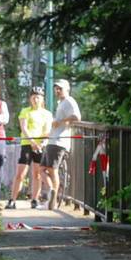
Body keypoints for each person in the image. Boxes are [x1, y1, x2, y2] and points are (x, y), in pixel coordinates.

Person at [6, 86, 53, 209]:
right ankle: (12, 200)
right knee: (20, 174)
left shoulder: (47, 114)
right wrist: (32, 142)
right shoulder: (25, 111)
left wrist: (42, 143)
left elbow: (47, 131)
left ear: (42, 99)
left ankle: (35, 200)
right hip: (27, 144)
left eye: (38, 97)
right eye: (33, 98)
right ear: (30, 99)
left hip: (40, 145)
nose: (35, 100)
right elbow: (24, 128)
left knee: (37, 174)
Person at [41, 79, 82, 210]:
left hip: (59, 141)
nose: (57, 91)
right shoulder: (61, 103)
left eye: (60, 88)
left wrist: (61, 122)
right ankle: (52, 191)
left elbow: (77, 116)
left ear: (67, 89)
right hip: (52, 140)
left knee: (52, 169)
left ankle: (53, 198)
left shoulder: (69, 101)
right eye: (56, 89)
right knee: (42, 169)